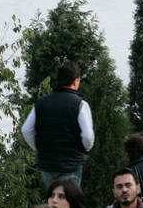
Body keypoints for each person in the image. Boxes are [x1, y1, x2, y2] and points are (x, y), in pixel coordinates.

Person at [21, 59, 95, 190]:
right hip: (72, 163)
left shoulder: (41, 103)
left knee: (53, 202)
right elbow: (88, 136)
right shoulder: (80, 104)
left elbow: (26, 130)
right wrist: (83, 150)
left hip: (48, 163)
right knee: (69, 202)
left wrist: (39, 149)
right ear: (76, 80)